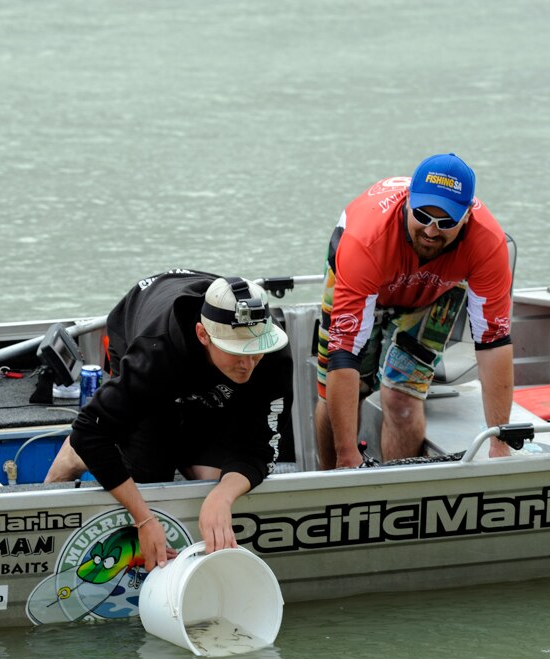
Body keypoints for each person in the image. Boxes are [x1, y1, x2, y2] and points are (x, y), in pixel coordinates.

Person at [45, 270, 293, 571]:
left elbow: (261, 448)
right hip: (141, 315)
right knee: (147, 475)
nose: (248, 365)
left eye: (255, 353)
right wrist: (144, 519)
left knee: (214, 481)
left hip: (203, 368)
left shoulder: (272, 349)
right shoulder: (155, 350)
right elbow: (90, 431)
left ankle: (190, 451)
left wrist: (222, 496)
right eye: (237, 352)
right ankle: (71, 457)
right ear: (203, 335)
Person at [315, 153, 514, 468]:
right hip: (364, 279)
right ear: (407, 202)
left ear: (466, 216)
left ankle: (398, 498)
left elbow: (494, 343)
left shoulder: (488, 242)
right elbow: (343, 353)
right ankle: (327, 482)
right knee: (338, 392)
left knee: (401, 398)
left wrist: (499, 443)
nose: (432, 231)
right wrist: (345, 459)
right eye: (422, 215)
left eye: (446, 221)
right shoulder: (366, 239)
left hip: (434, 291)